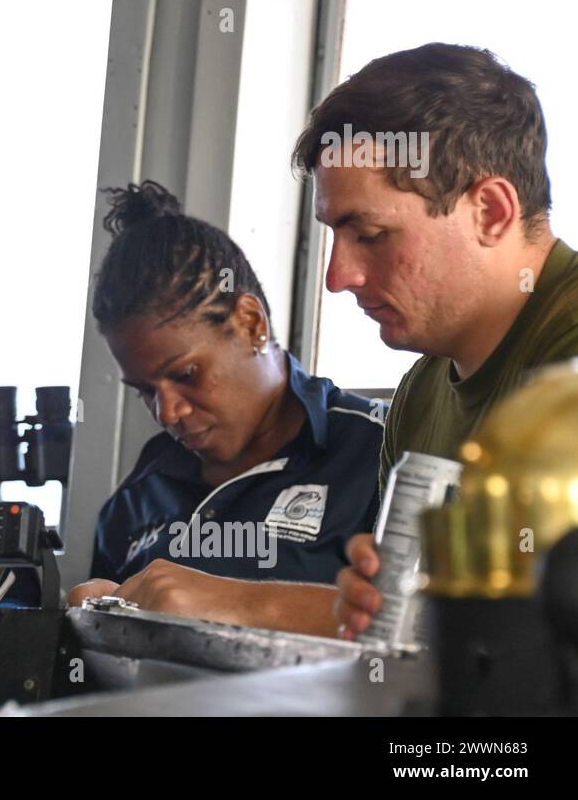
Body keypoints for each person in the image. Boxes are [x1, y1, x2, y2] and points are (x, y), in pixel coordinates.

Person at [290, 43, 578, 639]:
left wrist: (245, 604)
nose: (338, 277)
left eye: (370, 234)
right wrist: (369, 608)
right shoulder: (418, 398)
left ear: (491, 212)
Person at [67, 182, 383, 633]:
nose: (167, 413)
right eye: (144, 390)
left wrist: (243, 604)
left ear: (250, 324)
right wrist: (90, 623)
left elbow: (428, 638)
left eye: (187, 374)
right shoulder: (137, 500)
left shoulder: (376, 453)